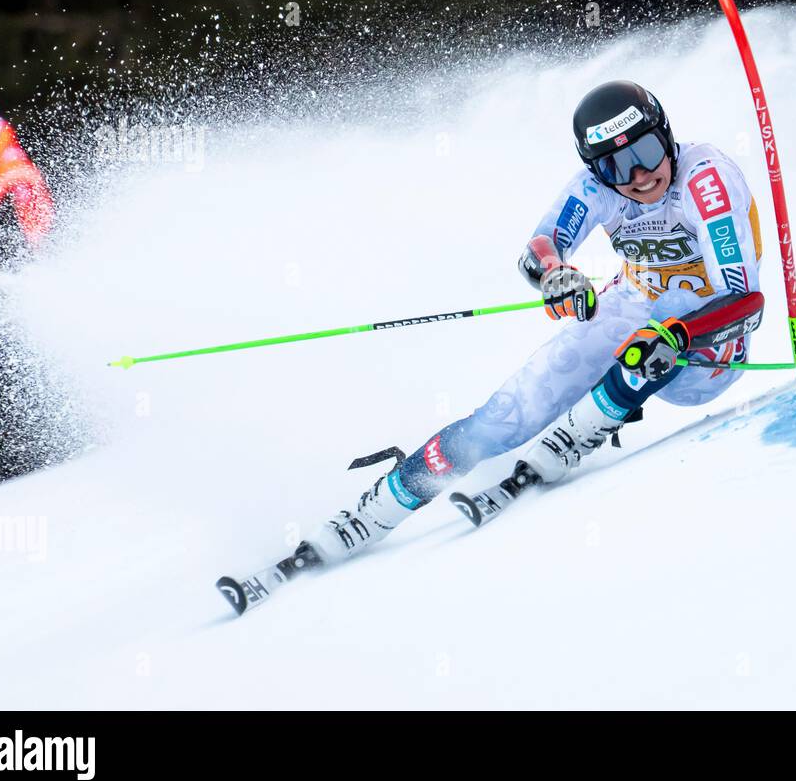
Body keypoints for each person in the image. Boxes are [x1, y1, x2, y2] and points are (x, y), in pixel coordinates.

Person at [307, 80, 766, 562]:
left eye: (648, 151)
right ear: (596, 170)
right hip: (638, 297)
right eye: (615, 165)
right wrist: (556, 275)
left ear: (667, 135)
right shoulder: (596, 189)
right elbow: (541, 246)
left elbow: (747, 303)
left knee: (655, 334)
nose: (639, 174)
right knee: (508, 412)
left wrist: (679, 334)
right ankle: (377, 508)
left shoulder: (706, 181)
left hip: (711, 338)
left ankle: (585, 426)